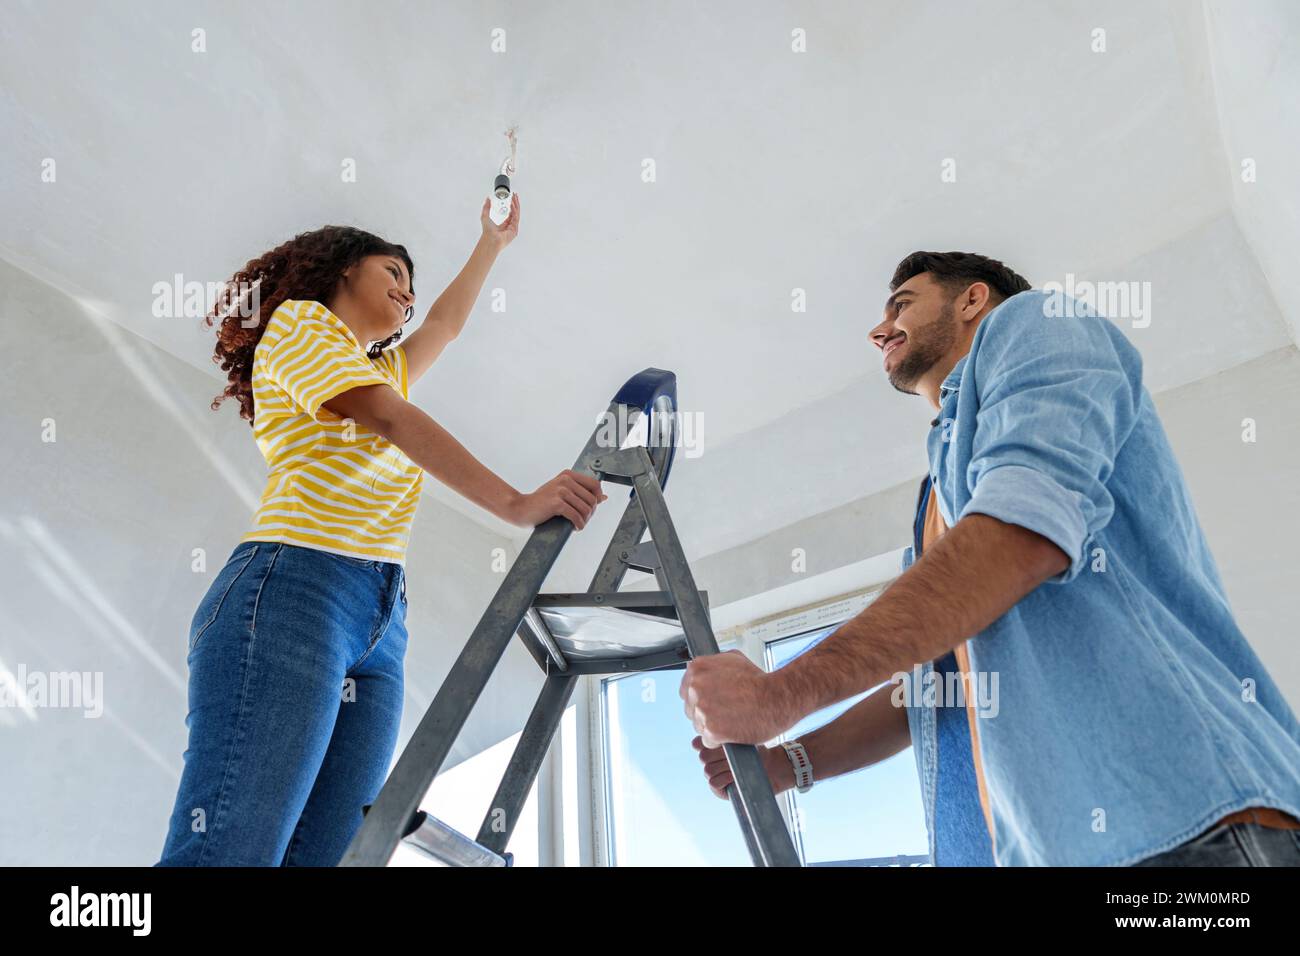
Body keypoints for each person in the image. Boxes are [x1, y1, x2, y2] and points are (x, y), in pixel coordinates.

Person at [688, 251, 1300, 866]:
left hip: (1188, 825)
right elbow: (936, 689)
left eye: (901, 305)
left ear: (973, 300)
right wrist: (788, 763)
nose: (878, 330)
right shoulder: (944, 494)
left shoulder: (1037, 322)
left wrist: (781, 692)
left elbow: (1023, 530)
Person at [157, 195, 606, 866]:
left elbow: (446, 325)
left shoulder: (377, 370)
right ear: (339, 269)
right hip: (293, 589)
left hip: (381, 621)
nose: (407, 292)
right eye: (391, 271)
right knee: (232, 850)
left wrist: (491, 242)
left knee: (338, 854)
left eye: (410, 284)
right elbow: (393, 421)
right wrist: (515, 504)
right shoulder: (300, 325)